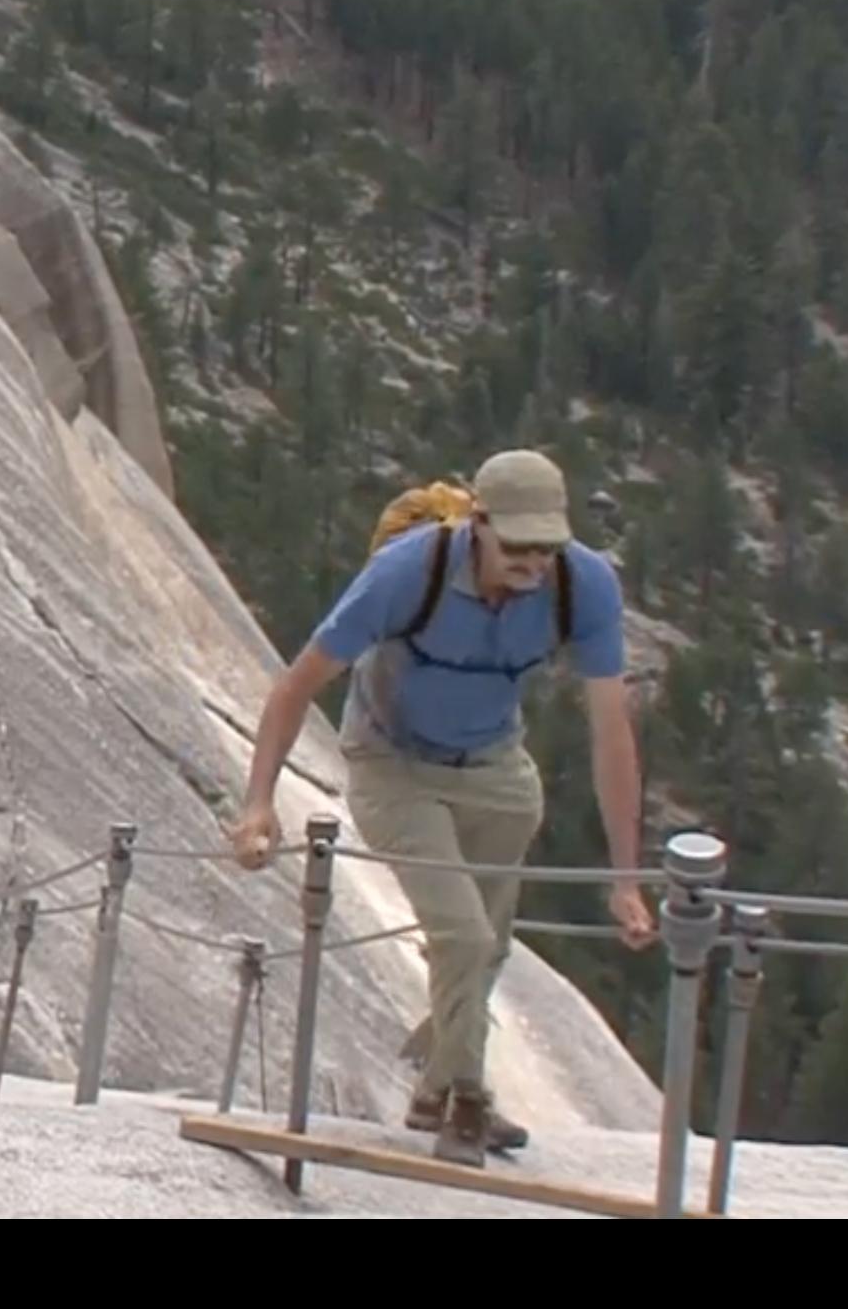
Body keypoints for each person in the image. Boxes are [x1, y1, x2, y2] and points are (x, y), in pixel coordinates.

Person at [226, 449, 654, 1170]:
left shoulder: (584, 586)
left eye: (546, 547)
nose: (532, 563)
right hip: (393, 766)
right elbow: (298, 683)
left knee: (490, 943)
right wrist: (258, 802)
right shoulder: (407, 574)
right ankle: (467, 1101)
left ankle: (430, 1091)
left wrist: (626, 878)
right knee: (462, 933)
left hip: (498, 769)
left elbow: (611, 733)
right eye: (516, 545)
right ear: (477, 525)